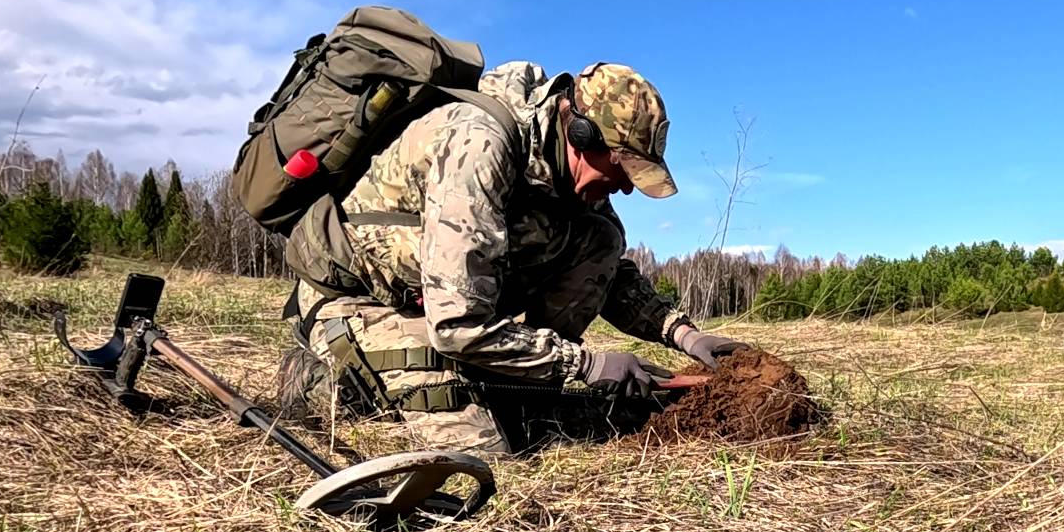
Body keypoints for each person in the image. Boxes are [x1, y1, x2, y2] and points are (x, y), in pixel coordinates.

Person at [278, 60, 748, 456]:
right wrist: (585, 366)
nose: (626, 186)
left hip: (446, 307)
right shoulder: (480, 147)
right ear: (581, 133)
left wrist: (683, 334)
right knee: (485, 456)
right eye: (623, 168)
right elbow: (457, 325)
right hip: (365, 300)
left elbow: (612, 274)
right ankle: (326, 380)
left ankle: (517, 392)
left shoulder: (571, 178)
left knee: (600, 237)